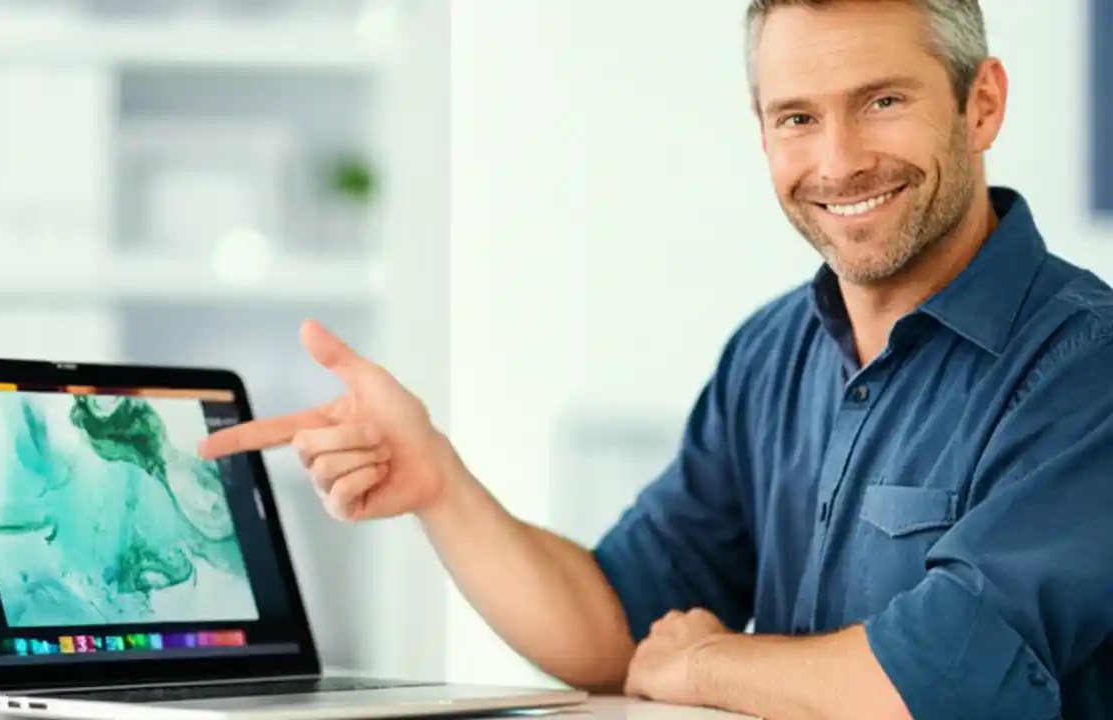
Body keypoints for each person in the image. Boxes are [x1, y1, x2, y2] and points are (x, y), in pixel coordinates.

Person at [201, 1, 1113, 717]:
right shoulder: (771, 355)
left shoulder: (1086, 366)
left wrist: (708, 662)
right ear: (762, 134)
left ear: (981, 101)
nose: (838, 160)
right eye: (797, 117)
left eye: (883, 101)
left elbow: (933, 684)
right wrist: (437, 481)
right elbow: (611, 625)